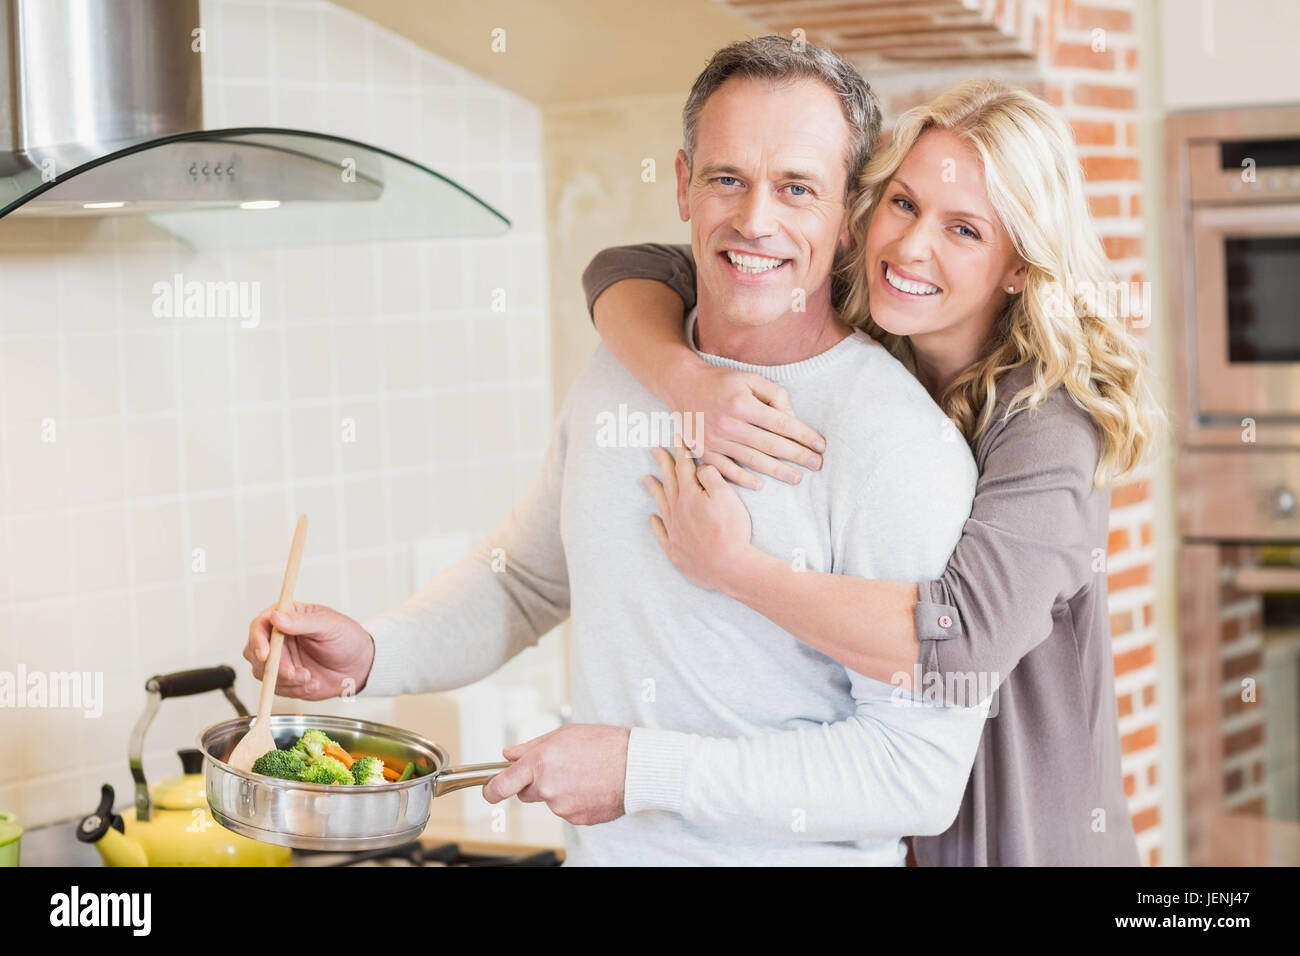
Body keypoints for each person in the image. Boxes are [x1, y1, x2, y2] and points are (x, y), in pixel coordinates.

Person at [244, 36, 993, 866]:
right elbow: (528, 579)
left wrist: (640, 771)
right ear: (682, 184)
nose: (755, 220)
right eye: (727, 179)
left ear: (849, 211)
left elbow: (915, 775)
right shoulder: (625, 370)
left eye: (797, 189)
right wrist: (375, 653)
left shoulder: (896, 445)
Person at [580, 76, 1165, 865]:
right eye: (903, 203)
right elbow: (627, 267)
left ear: (1021, 265)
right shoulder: (872, 330)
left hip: (1020, 842)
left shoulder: (1049, 424)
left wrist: (733, 567)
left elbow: (959, 644)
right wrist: (684, 379)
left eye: (964, 230)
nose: (912, 246)